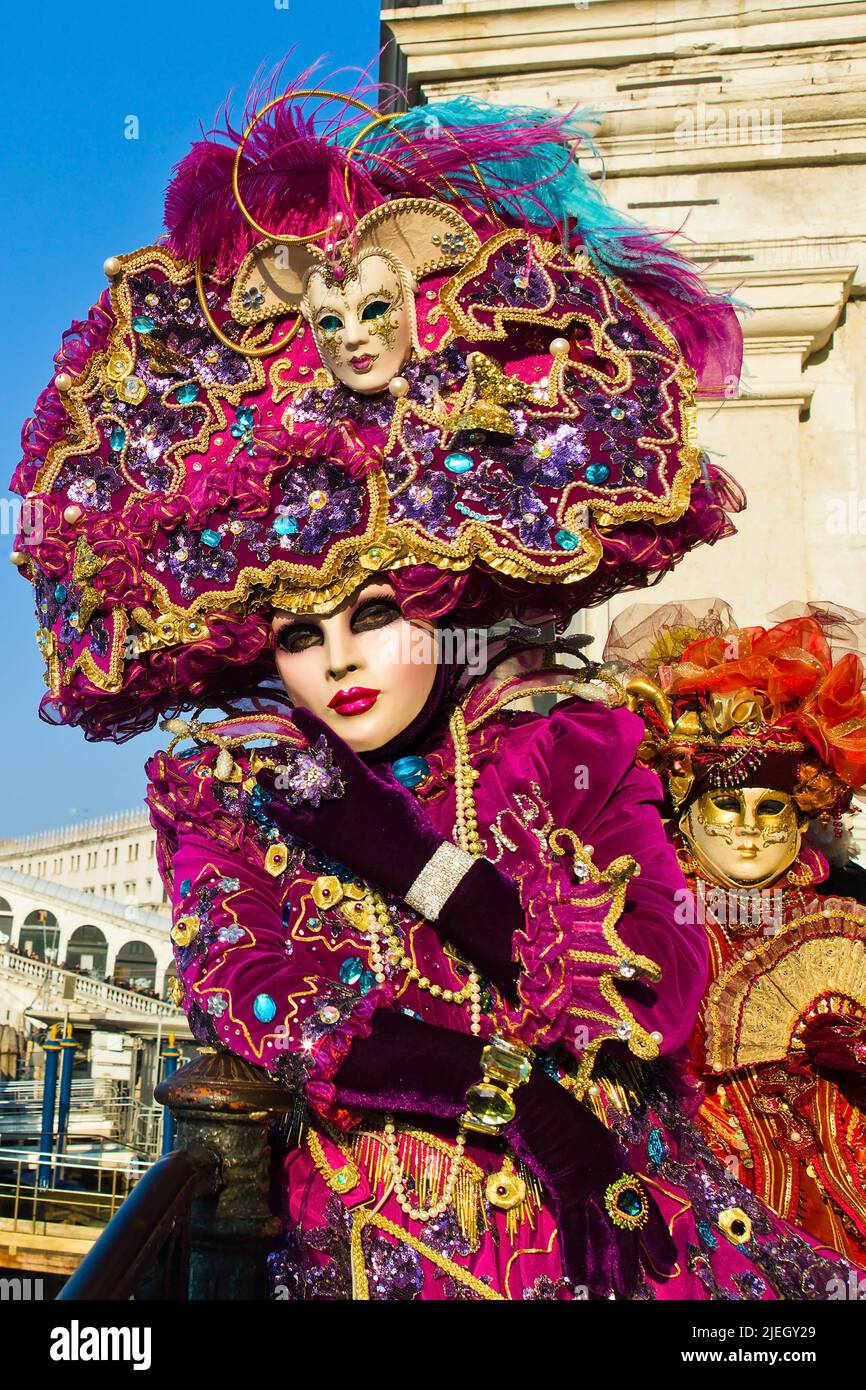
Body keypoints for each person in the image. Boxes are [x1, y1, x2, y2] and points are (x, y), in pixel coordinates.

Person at [9, 69, 855, 1300]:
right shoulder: (233, 782)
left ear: (443, 601)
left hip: (603, 1226)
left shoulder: (562, 743)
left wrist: (412, 863)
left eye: (373, 616)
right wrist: (512, 1100)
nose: (338, 662)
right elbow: (269, 1006)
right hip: (368, 1238)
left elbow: (649, 987)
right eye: (298, 635)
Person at [607, 600, 866, 1264]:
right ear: (686, 814)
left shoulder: (847, 913)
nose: (750, 827)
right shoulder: (642, 917)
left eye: (771, 807)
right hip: (702, 1169)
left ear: (803, 816)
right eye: (727, 804)